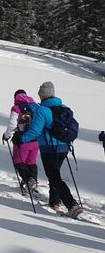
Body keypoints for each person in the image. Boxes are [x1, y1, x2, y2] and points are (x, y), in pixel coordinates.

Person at [18, 82, 83, 218]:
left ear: (42, 95)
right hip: (64, 147)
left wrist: (21, 139)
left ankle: (72, 204)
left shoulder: (43, 110)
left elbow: (35, 130)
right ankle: (54, 202)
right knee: (55, 174)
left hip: (49, 149)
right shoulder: (63, 107)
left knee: (54, 176)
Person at [2, 89, 40, 191]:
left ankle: (29, 180)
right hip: (36, 140)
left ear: (15, 98)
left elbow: (12, 124)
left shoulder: (16, 108)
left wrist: (7, 135)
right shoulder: (36, 106)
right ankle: (33, 182)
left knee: (18, 162)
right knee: (31, 162)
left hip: (22, 140)